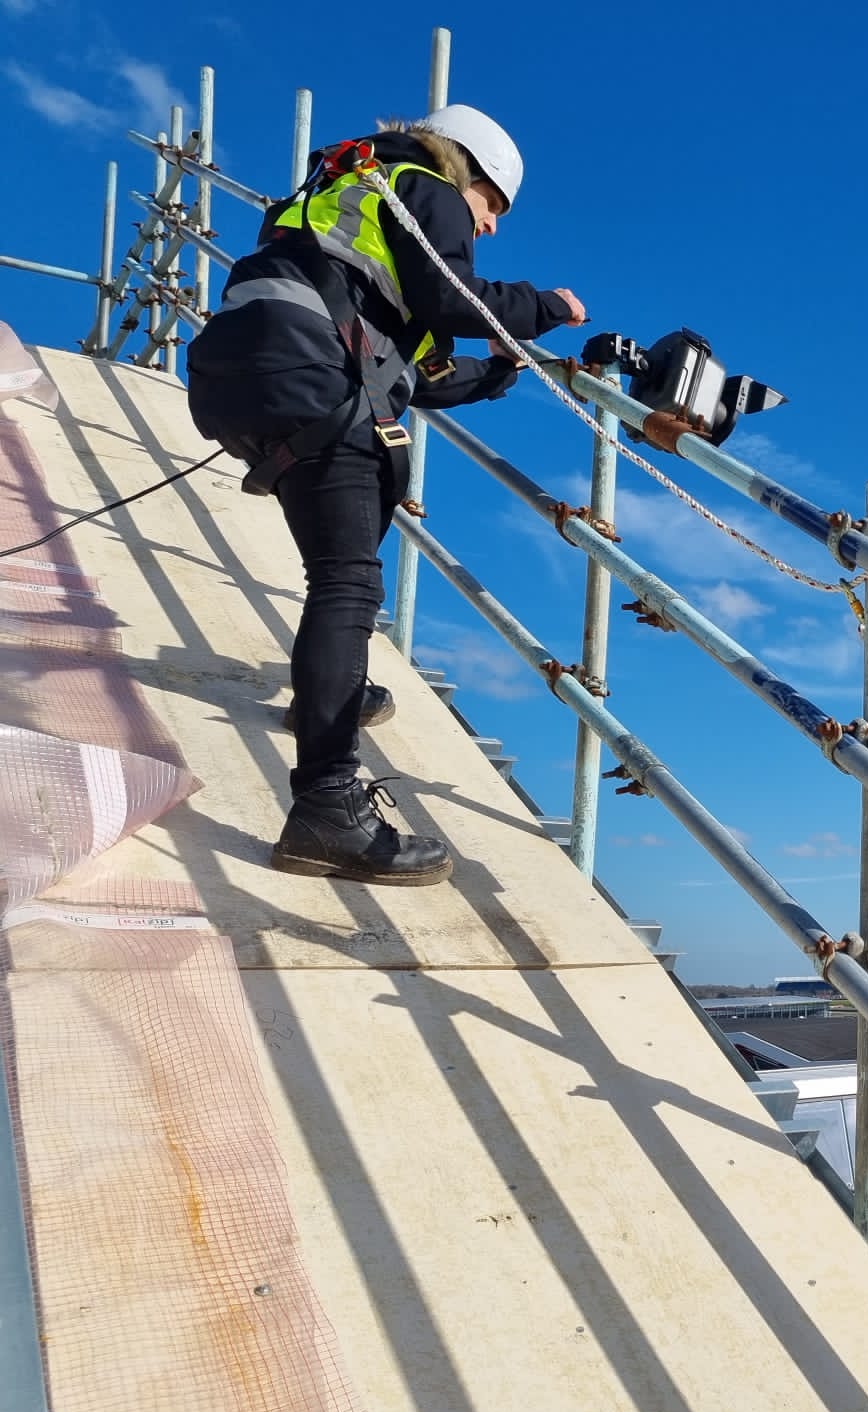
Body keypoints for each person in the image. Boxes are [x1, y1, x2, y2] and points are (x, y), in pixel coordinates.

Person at [187, 104, 585, 885]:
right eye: (494, 204)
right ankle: (327, 807)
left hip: (255, 375)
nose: (492, 227)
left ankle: (326, 698)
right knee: (346, 584)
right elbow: (455, 300)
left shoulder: (346, 196)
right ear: (465, 170)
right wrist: (548, 309)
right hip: (312, 379)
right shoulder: (421, 185)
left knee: (340, 574)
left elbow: (419, 368)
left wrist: (501, 374)